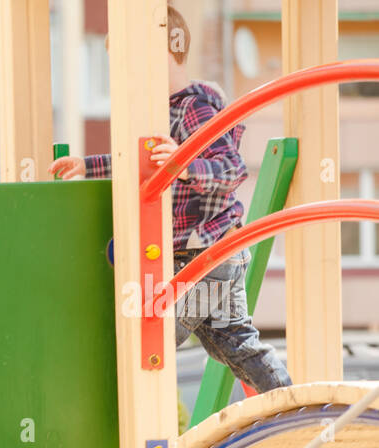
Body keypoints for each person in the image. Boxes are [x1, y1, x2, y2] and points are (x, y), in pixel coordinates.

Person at [49, 3, 291, 395]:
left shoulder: (194, 108)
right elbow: (134, 164)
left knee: (152, 332)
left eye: (127, 66)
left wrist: (182, 166)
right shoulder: (160, 113)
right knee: (234, 344)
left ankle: (292, 408)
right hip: (208, 256)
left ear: (159, 55)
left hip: (206, 257)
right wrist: (87, 165)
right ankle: (288, 404)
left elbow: (230, 170)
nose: (123, 79)